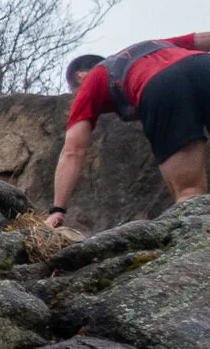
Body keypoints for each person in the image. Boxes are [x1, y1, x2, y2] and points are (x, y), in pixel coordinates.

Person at [50, 33, 210, 226]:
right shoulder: (154, 44)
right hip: (203, 65)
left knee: (189, 193)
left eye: (72, 92)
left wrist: (57, 210)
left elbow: (73, 151)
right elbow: (202, 38)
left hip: (162, 86)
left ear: (80, 76)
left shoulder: (92, 80)